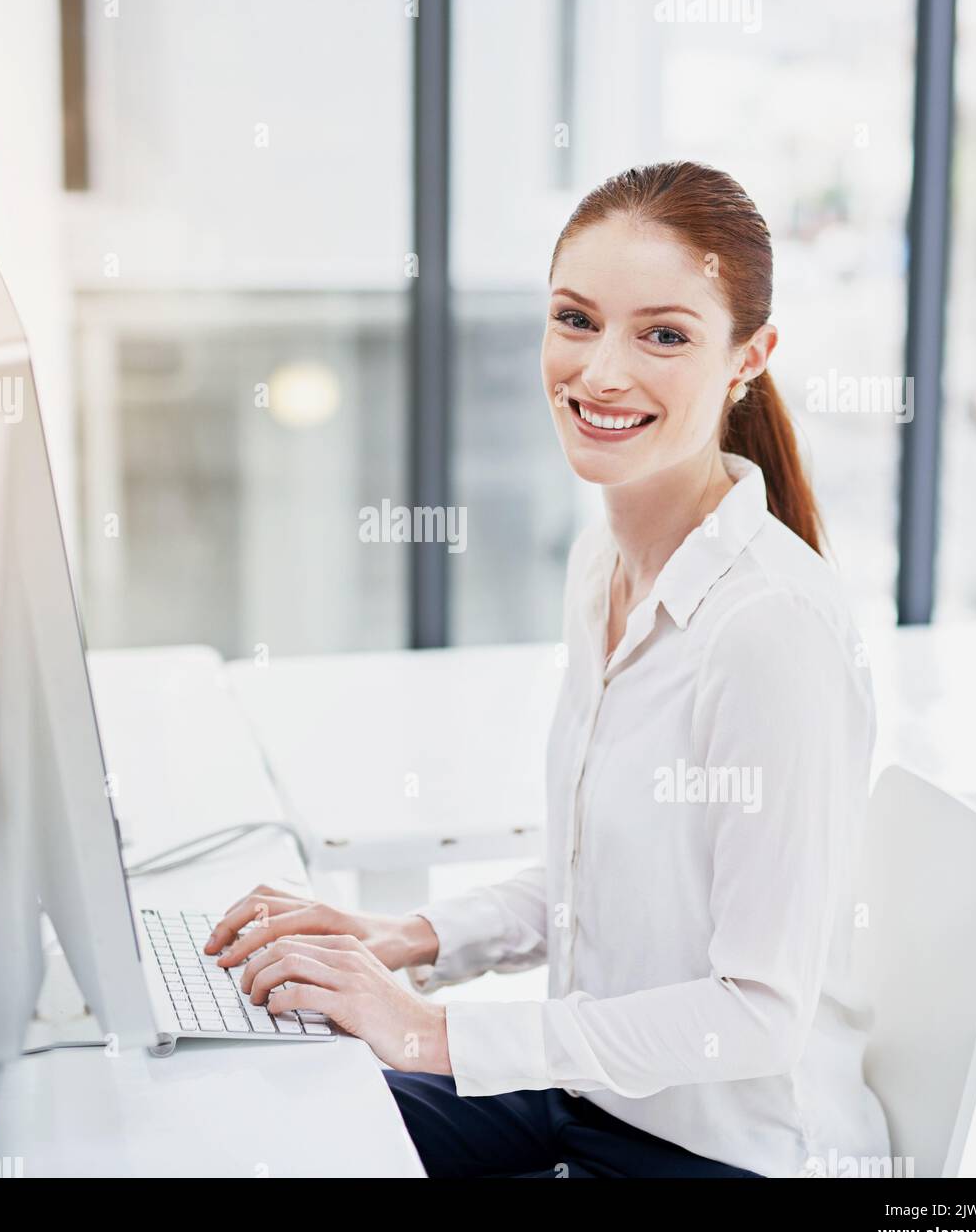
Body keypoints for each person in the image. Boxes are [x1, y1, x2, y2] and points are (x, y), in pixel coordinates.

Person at [206, 162, 890, 1179]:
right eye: (575, 319)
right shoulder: (603, 563)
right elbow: (604, 878)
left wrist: (430, 1034)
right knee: (272, 1127)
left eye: (663, 334)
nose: (602, 373)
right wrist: (404, 935)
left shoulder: (766, 629)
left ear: (750, 357)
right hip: (597, 1101)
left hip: (727, 1155)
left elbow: (757, 1015)